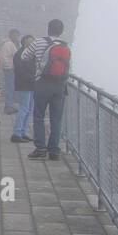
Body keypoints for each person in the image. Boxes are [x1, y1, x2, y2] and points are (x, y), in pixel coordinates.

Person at [28, 19, 70, 160]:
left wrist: (37, 60)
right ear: (61, 31)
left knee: (39, 116)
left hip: (43, 83)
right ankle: (54, 151)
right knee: (56, 119)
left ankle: (40, 148)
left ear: (48, 29)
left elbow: (24, 56)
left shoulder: (39, 42)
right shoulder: (65, 46)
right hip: (60, 85)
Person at [11, 33, 36, 143]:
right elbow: (21, 71)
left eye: (33, 40)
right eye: (30, 40)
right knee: (24, 108)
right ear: (24, 41)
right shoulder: (19, 54)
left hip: (31, 85)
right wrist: (33, 79)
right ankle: (16, 133)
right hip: (24, 85)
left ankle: (23, 132)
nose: (32, 42)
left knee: (29, 109)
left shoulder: (31, 54)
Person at [0, 29, 20, 114]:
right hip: (10, 69)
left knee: (14, 88)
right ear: (10, 35)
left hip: (16, 69)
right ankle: (8, 106)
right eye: (13, 34)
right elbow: (3, 57)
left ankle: (12, 105)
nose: (15, 36)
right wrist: (9, 67)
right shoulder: (8, 44)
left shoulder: (17, 44)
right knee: (10, 87)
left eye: (17, 35)